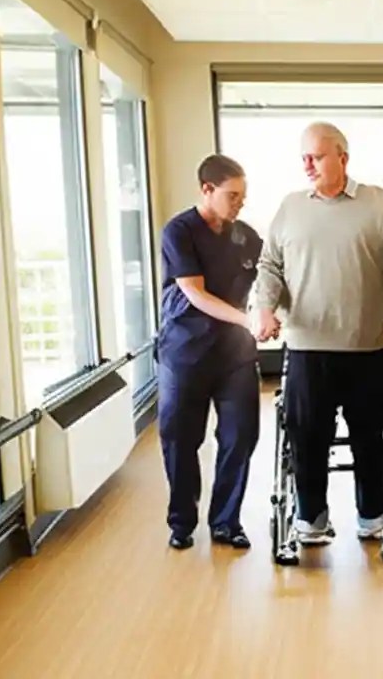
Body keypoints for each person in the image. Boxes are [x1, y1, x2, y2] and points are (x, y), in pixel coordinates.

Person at [254, 121, 383, 546]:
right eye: (304, 157)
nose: (308, 164)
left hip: (368, 345)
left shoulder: (377, 202)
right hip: (307, 346)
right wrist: (264, 308)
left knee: (368, 435)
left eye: (317, 156)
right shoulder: (291, 207)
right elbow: (269, 265)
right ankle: (310, 517)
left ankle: (373, 515)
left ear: (342, 158)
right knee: (308, 436)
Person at [156, 154, 268, 551]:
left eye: (243, 196)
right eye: (232, 196)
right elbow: (195, 293)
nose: (240, 204)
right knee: (180, 439)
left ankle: (225, 521)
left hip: (234, 354)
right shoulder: (179, 232)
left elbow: (271, 279)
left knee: (240, 435)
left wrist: (272, 311)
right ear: (207, 189)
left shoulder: (247, 236)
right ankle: (182, 522)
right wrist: (248, 319)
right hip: (185, 351)